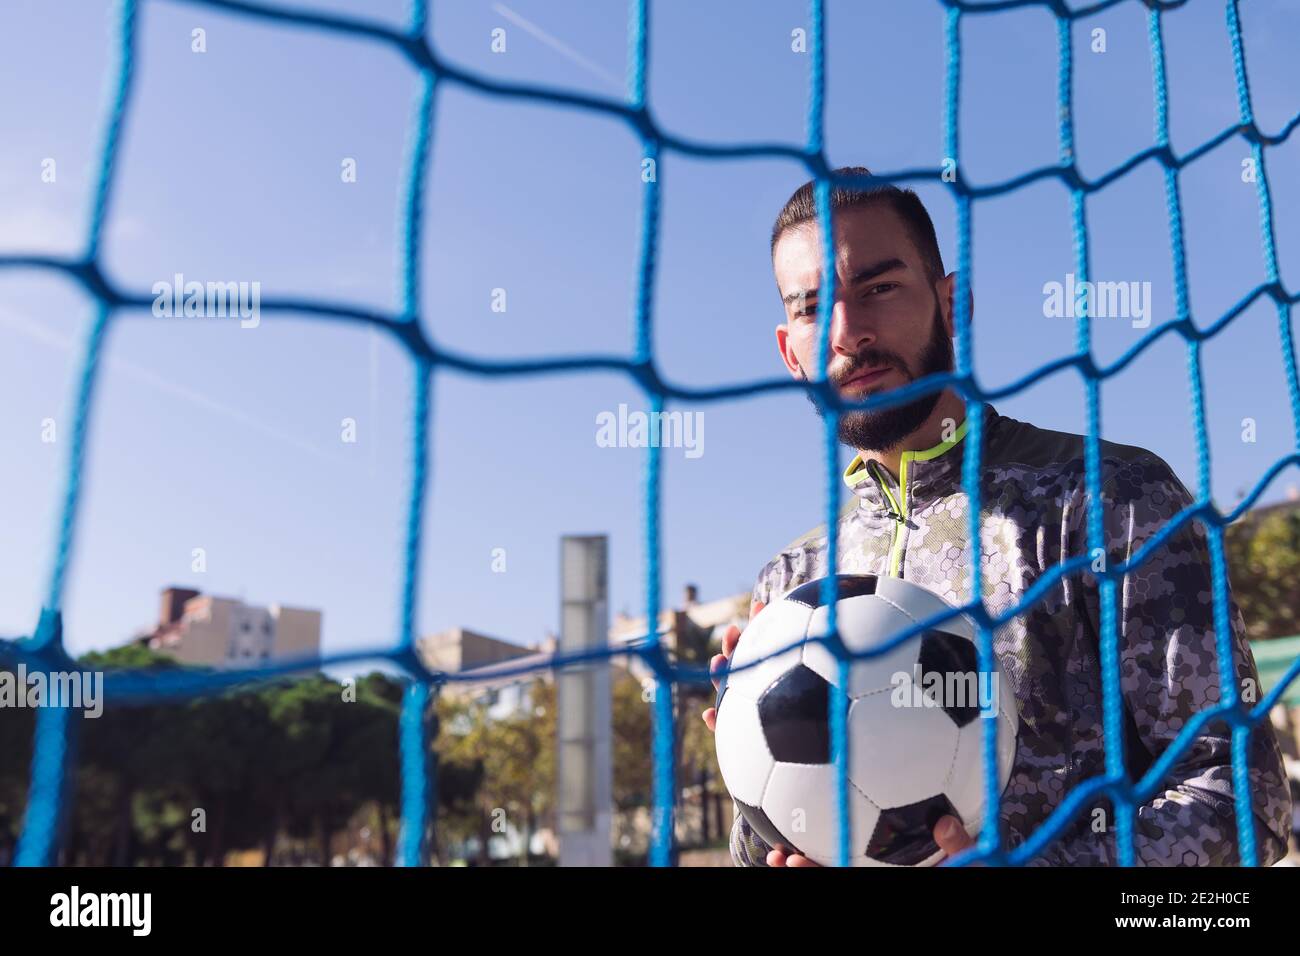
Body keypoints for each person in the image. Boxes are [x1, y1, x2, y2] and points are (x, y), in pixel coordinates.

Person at [701, 166, 1292, 866]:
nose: (846, 331)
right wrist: (747, 775)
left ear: (953, 304)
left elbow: (1244, 802)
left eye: (878, 288)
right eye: (811, 307)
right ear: (788, 353)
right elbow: (768, 844)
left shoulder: (1110, 501)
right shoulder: (792, 583)